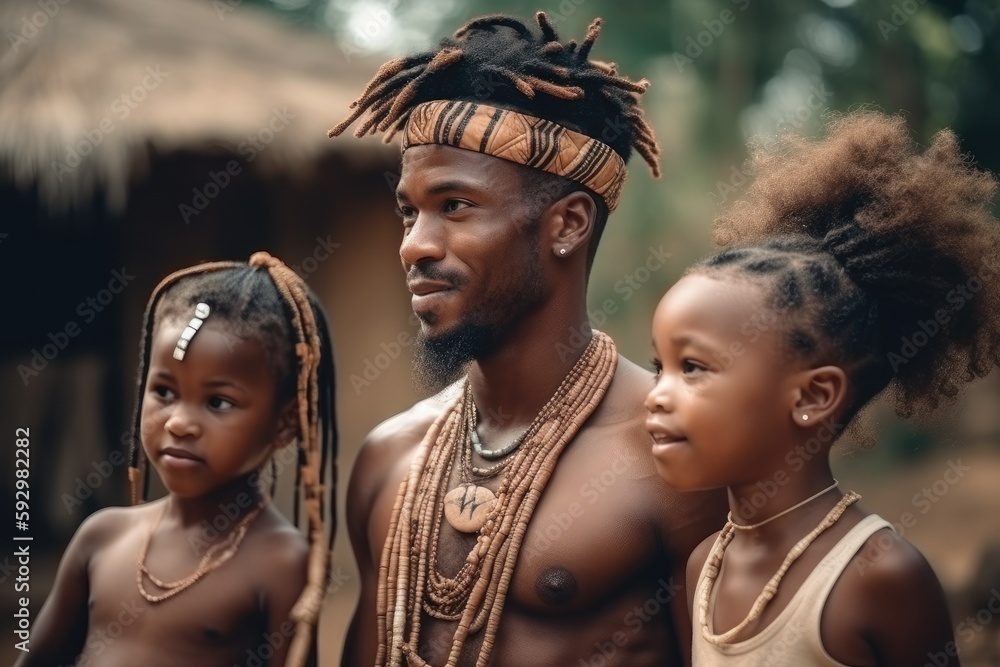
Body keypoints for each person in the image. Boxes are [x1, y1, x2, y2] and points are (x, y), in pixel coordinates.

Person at [329, 12, 727, 667]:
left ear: (567, 223)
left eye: (455, 206)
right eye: (410, 210)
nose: (415, 245)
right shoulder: (386, 460)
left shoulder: (673, 458)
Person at [644, 111, 1000, 665]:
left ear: (813, 397)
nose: (656, 394)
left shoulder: (881, 577)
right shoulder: (703, 568)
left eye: (692, 368)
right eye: (658, 365)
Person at [16, 252, 337, 667]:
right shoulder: (101, 538)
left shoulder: (280, 564)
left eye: (218, 401)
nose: (180, 423)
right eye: (165, 392)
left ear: (284, 424)